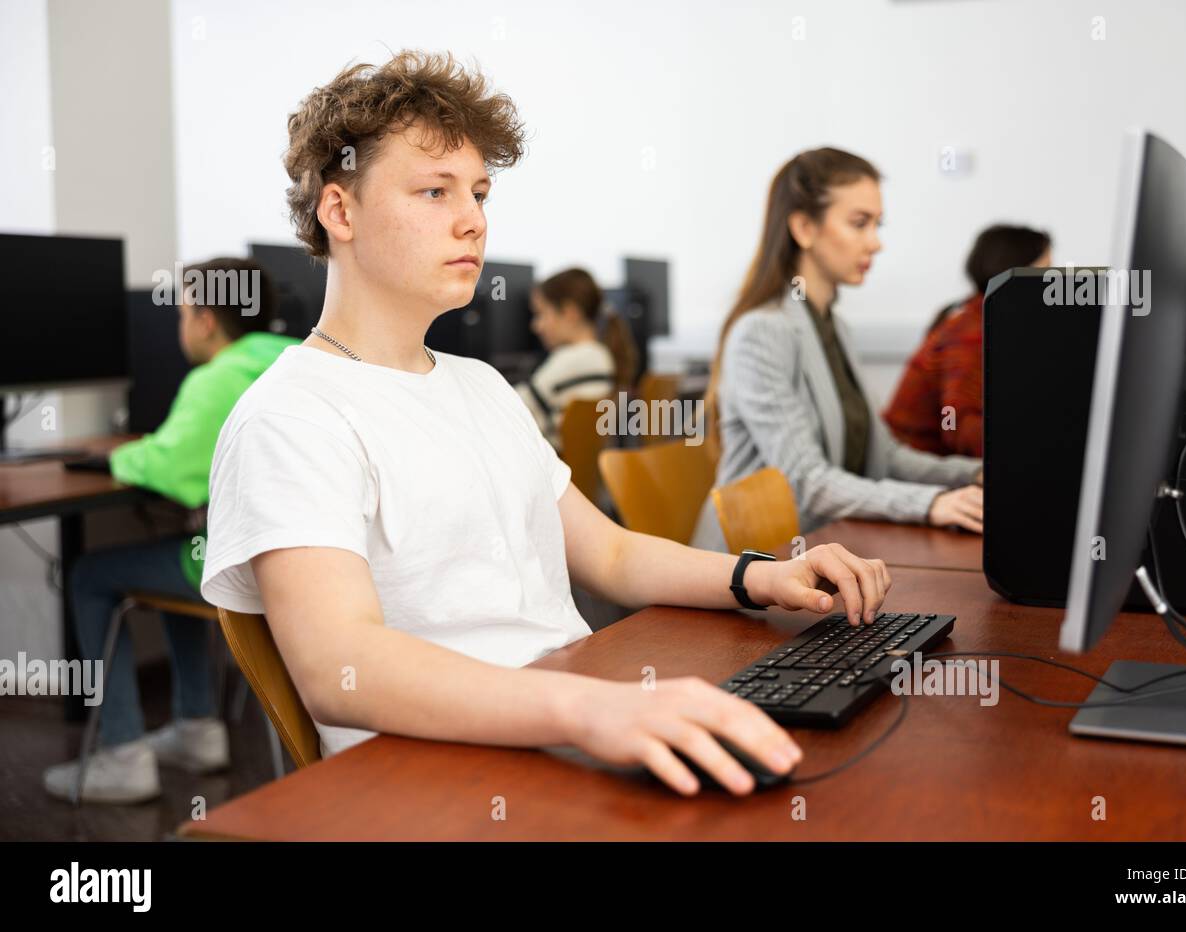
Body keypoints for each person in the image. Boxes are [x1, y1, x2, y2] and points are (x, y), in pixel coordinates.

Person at [198, 50, 895, 798]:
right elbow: (344, 668)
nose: (472, 220)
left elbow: (613, 557)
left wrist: (761, 575)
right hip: (440, 777)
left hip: (558, 724)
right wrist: (591, 710)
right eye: (434, 191)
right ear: (340, 211)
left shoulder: (481, 385)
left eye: (479, 193)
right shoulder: (290, 414)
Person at [43, 257, 297, 804]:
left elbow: (174, 471)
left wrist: (117, 457)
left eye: (183, 313)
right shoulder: (296, 360)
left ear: (204, 320)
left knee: (89, 575)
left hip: (244, 568)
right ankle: (196, 730)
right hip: (299, 564)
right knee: (179, 552)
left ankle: (123, 756)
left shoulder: (219, 377)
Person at [692, 148, 985, 554]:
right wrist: (930, 504)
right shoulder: (761, 332)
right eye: (859, 223)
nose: (876, 243)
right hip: (752, 566)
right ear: (804, 228)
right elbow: (807, 481)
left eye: (877, 224)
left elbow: (887, 457)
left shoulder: (835, 329)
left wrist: (975, 475)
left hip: (819, 552)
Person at [883, 224, 1052, 457]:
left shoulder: (981, 316)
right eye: (1045, 270)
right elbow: (953, 421)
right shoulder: (972, 331)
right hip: (913, 469)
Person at [515, 267, 637, 448]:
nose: (536, 326)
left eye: (541, 314)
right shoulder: (601, 357)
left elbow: (510, 410)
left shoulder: (571, 360)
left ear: (569, 312)